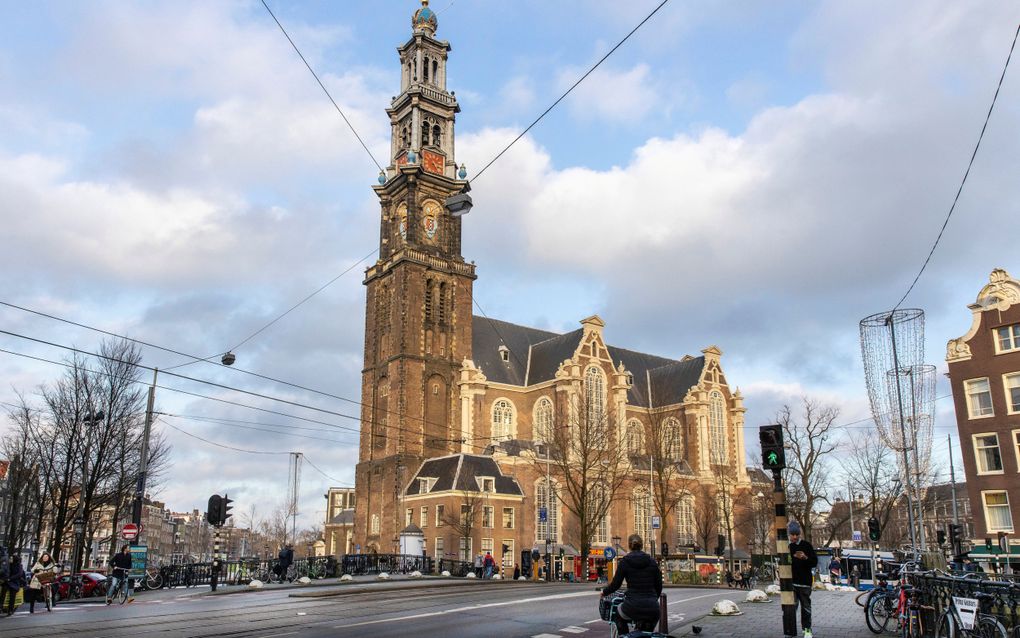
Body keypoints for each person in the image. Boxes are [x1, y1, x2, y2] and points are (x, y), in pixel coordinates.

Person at [600, 534, 662, 635]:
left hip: (632, 606)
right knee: (647, 633)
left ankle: (625, 636)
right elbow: (659, 586)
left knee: (618, 615)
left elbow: (616, 584)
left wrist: (604, 592)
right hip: (652, 608)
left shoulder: (625, 562)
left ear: (629, 546)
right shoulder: (652, 562)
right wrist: (653, 599)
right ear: (641, 546)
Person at [786, 521, 817, 638]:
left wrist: (805, 558)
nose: (794, 537)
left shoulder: (806, 545)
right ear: (789, 534)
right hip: (792, 583)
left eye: (796, 534)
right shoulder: (788, 547)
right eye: (792, 534)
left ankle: (807, 630)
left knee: (806, 608)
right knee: (791, 609)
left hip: (804, 583)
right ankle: (791, 631)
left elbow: (814, 562)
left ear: (799, 534)